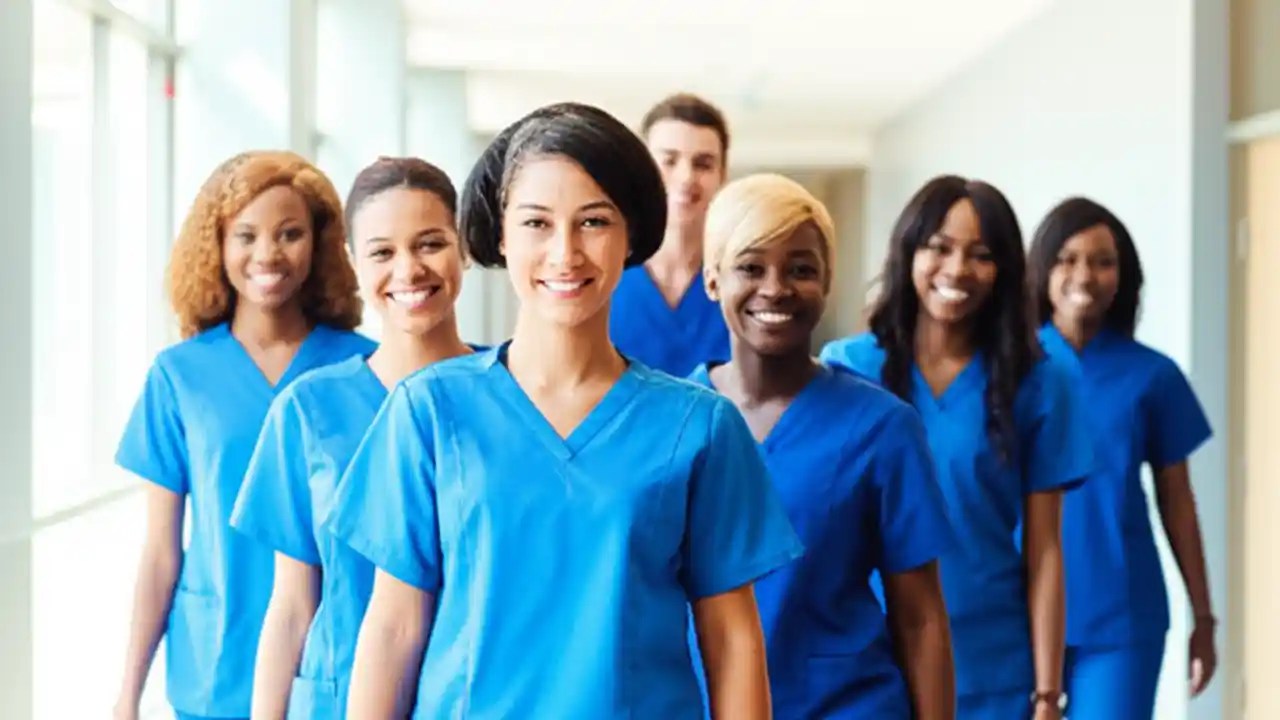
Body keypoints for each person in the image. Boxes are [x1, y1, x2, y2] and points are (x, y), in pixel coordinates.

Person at [325, 101, 804, 719]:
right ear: (500, 236)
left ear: (631, 234)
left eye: (594, 222)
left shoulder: (699, 427)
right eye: (536, 224)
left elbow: (732, 639)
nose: (565, 253)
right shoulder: (430, 412)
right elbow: (392, 628)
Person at [112, 150, 375, 720]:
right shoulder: (179, 376)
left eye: (290, 234)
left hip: (330, 668)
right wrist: (126, 696)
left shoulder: (366, 372)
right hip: (216, 666)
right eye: (246, 235)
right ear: (218, 247)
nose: (268, 254)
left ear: (321, 245)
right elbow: (161, 551)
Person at [820, 175, 1092, 720]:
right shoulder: (847, 369)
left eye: (981, 254)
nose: (957, 270)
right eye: (938, 248)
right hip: (868, 662)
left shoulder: (1040, 379)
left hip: (991, 667)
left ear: (1006, 269)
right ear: (908, 253)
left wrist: (1046, 693)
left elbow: (1045, 550)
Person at [691, 173, 956, 719]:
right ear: (712, 279)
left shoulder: (882, 427)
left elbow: (921, 616)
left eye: (801, 269)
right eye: (750, 266)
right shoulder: (673, 424)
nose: (775, 288)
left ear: (828, 281)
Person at [229, 156, 479, 719]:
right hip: (337, 700)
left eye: (430, 243)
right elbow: (292, 605)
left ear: (462, 244)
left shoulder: (508, 396)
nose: (409, 270)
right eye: (383, 251)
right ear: (351, 260)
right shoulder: (308, 411)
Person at [1028, 197, 1216, 718]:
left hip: (1120, 617)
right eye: (1066, 258)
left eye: (1102, 261)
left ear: (1123, 276)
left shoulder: (1152, 376)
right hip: (1016, 610)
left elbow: (1177, 502)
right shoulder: (1011, 370)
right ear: (1041, 268)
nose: (1083, 275)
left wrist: (1204, 617)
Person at [609, 92, 732, 376]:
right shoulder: (602, 275)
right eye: (669, 161)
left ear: (722, 173)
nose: (686, 177)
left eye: (703, 164)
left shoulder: (741, 278)